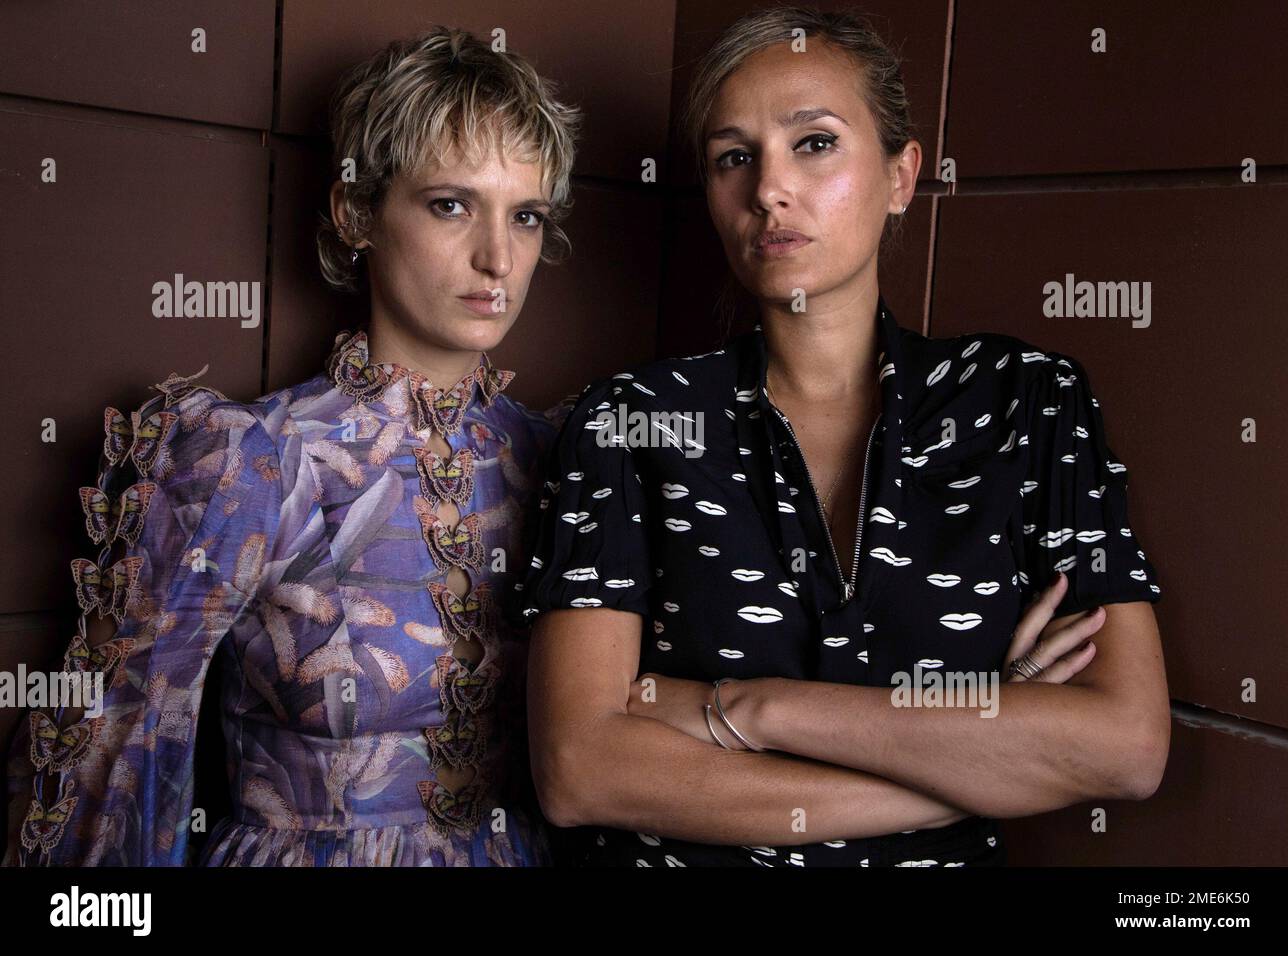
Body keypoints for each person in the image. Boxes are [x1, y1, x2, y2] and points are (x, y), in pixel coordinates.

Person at [517, 6, 1169, 867]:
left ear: (902, 176)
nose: (769, 190)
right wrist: (970, 760)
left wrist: (750, 708)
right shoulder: (633, 419)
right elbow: (579, 771)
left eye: (814, 143)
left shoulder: (1026, 403)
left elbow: (1125, 747)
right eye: (733, 158)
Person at [3, 25, 580, 866]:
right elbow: (121, 758)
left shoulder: (567, 461)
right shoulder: (254, 462)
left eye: (524, 216)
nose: (498, 257)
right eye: (450, 204)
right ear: (356, 213)